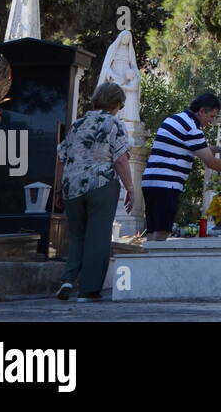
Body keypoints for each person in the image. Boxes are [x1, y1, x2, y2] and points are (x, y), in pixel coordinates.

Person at [54, 82, 133, 302]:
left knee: (77, 235)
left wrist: (60, 188)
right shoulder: (114, 124)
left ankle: (68, 279)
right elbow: (120, 159)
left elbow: (61, 158)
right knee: (98, 237)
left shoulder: (77, 125)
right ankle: (89, 290)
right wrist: (130, 188)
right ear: (116, 104)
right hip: (101, 184)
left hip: (73, 185)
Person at [141, 91, 221, 242]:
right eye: (211, 116)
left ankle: (146, 264)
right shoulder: (191, 127)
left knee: (152, 233)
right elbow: (210, 162)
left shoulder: (176, 119)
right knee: (161, 234)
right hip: (167, 184)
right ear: (202, 111)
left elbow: (195, 149)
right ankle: (153, 264)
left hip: (151, 182)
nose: (211, 121)